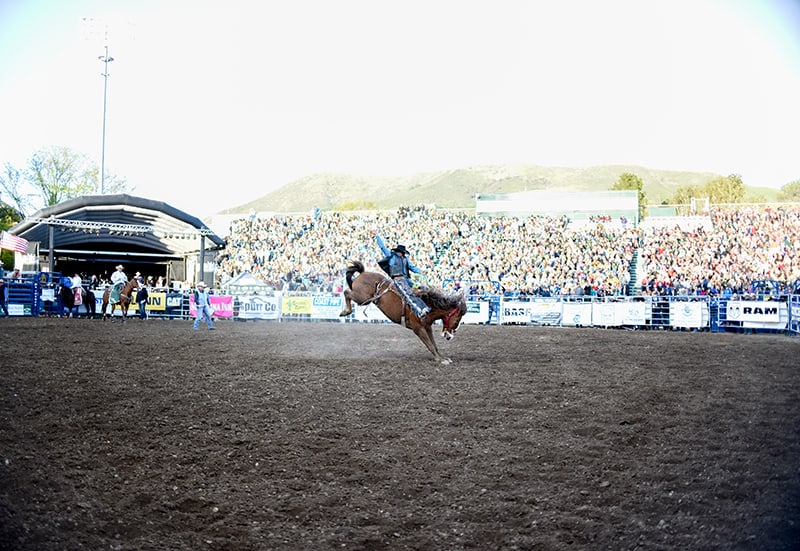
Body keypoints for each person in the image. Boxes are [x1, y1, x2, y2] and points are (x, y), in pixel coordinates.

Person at [376, 235, 430, 321]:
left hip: (406, 280)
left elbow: (413, 267)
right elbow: (383, 247)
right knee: (408, 294)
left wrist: (420, 271)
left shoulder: (405, 259)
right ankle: (419, 311)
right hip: (398, 279)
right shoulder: (392, 256)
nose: (403, 254)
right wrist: (377, 237)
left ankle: (425, 307)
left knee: (422, 289)